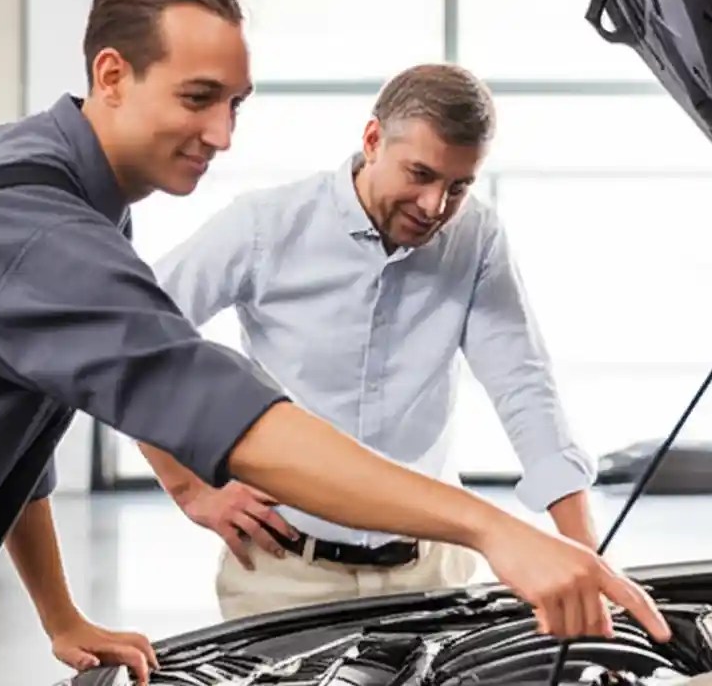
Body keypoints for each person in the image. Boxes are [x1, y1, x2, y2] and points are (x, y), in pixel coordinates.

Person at [0, 0, 668, 685]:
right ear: (112, 74)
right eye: (197, 99)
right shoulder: (42, 231)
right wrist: (492, 527)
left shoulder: (56, 177)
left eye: (236, 104)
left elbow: (18, 425)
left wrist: (59, 613)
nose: (222, 135)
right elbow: (218, 405)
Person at [139, 63, 600, 621]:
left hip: (433, 574)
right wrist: (191, 489)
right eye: (421, 173)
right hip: (284, 577)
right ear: (373, 139)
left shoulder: (475, 237)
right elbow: (133, 338)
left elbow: (524, 386)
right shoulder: (266, 226)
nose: (434, 206)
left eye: (458, 186)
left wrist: (585, 559)